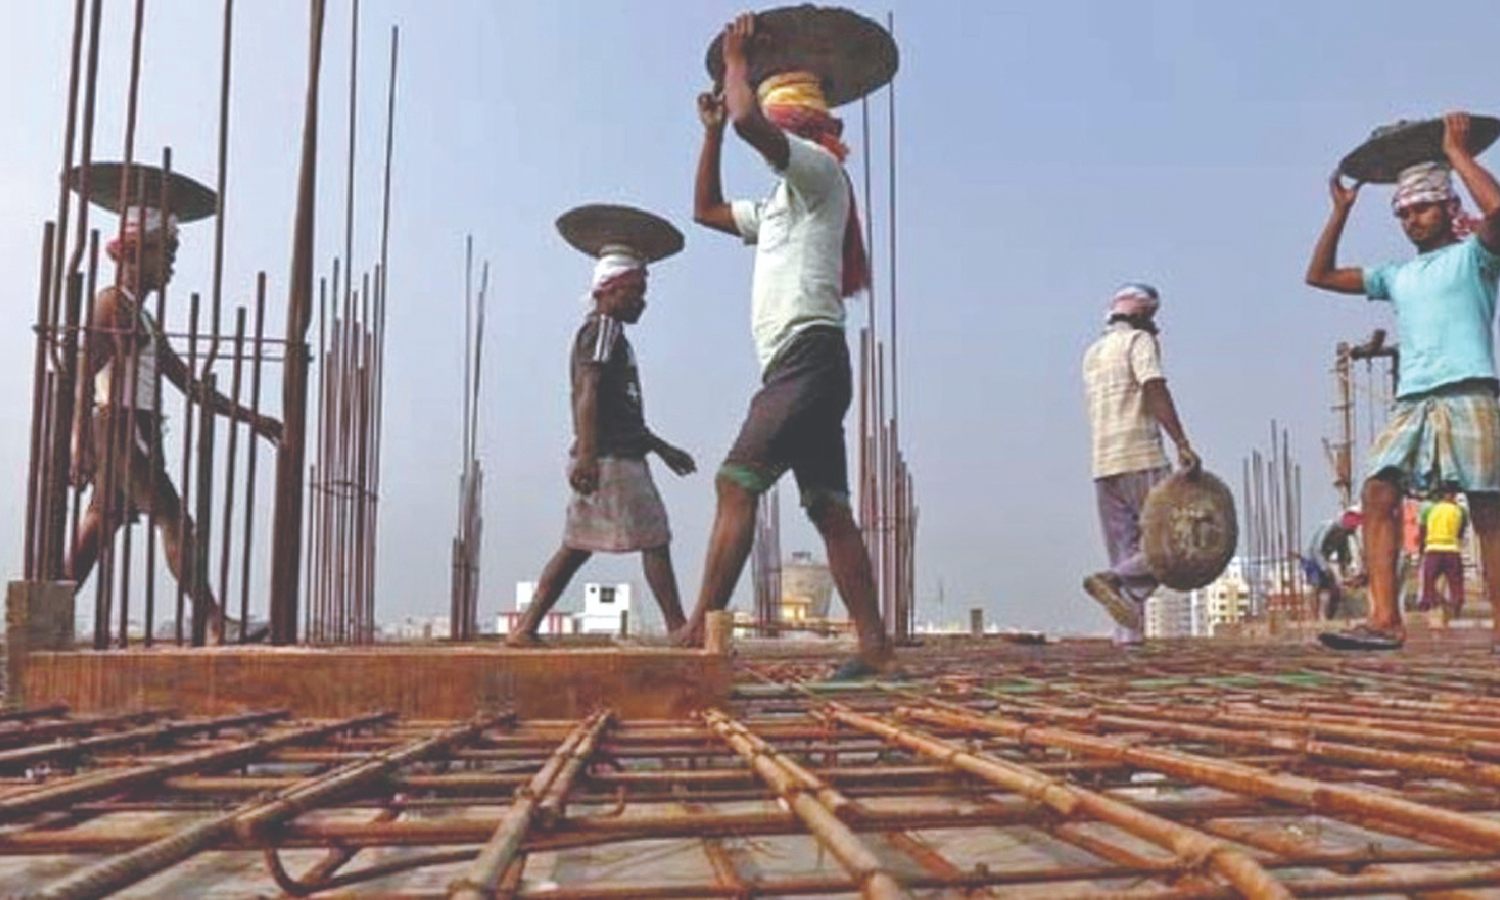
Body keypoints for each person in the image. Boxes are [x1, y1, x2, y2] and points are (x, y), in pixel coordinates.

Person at [685, 12, 891, 677]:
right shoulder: (781, 201)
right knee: (829, 509)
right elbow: (705, 210)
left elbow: (750, 122)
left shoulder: (819, 172)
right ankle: (876, 649)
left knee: (735, 482)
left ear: (796, 128)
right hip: (803, 364)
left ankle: (695, 632)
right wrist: (712, 133)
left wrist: (737, 63)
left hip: (807, 359)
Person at [1305, 111, 1500, 650]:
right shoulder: (1397, 275)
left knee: (1488, 509)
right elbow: (1319, 275)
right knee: (1377, 491)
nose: (1413, 220)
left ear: (1448, 207)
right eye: (1404, 213)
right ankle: (1385, 619)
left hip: (1469, 390)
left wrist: (1458, 153)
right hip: (1412, 401)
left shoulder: (1475, 258)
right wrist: (1341, 213)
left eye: (1423, 208)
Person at [68, 202, 281, 644]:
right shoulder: (112, 305)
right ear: (133, 252)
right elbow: (81, 376)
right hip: (121, 428)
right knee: (175, 520)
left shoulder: (142, 316)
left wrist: (253, 419)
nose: (169, 264)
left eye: (171, 253)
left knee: (99, 526)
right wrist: (78, 440)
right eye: (162, 252)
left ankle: (44, 614)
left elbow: (191, 387)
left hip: (136, 430)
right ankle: (214, 621)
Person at [508, 240, 694, 645]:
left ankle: (525, 627)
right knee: (655, 538)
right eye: (635, 292)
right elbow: (587, 390)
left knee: (576, 545)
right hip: (613, 459)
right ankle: (678, 628)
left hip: (610, 452)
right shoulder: (605, 329)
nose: (641, 302)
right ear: (610, 291)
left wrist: (662, 448)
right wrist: (589, 456)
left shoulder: (608, 334)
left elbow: (617, 408)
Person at [1081, 283, 1199, 646]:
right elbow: (1154, 388)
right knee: (1173, 546)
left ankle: (1128, 637)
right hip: (1142, 456)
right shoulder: (1138, 342)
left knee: (1127, 551)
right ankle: (1113, 578)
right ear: (1143, 316)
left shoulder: (1093, 353)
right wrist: (1181, 442)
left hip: (1104, 464)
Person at [1300, 508, 1363, 619]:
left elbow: (1343, 553)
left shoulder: (1344, 534)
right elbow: (1316, 549)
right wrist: (1325, 568)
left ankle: (1327, 616)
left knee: (1333, 588)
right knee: (1316, 584)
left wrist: (1346, 571)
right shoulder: (1328, 528)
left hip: (1322, 558)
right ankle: (1314, 616)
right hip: (1311, 557)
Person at [1418, 483, 1468, 616]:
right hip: (1452, 549)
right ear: (1453, 495)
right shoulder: (1460, 510)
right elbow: (1461, 531)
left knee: (1429, 581)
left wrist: (1421, 549)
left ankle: (1431, 604)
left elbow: (1423, 530)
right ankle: (1456, 604)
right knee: (1455, 582)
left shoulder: (1428, 509)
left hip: (1433, 549)